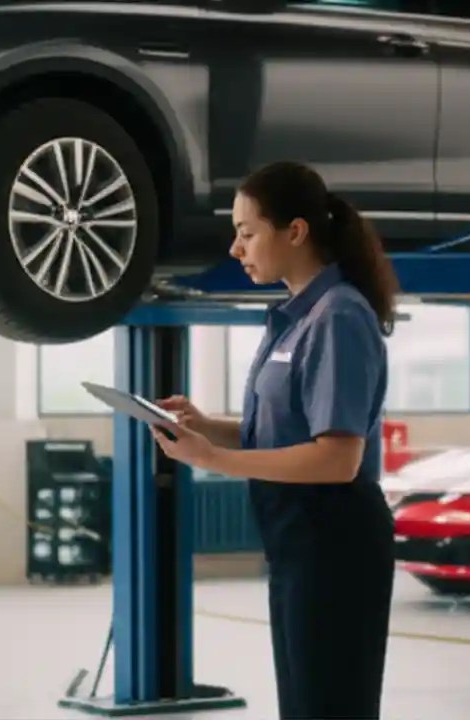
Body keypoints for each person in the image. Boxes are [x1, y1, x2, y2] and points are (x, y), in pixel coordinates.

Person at [151, 160, 399, 719]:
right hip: (298, 541)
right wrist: (204, 425)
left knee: (329, 707)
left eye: (247, 233)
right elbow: (282, 432)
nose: (236, 251)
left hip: (336, 540)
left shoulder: (338, 318)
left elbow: (337, 457)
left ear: (295, 231)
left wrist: (215, 458)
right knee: (305, 706)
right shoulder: (294, 319)